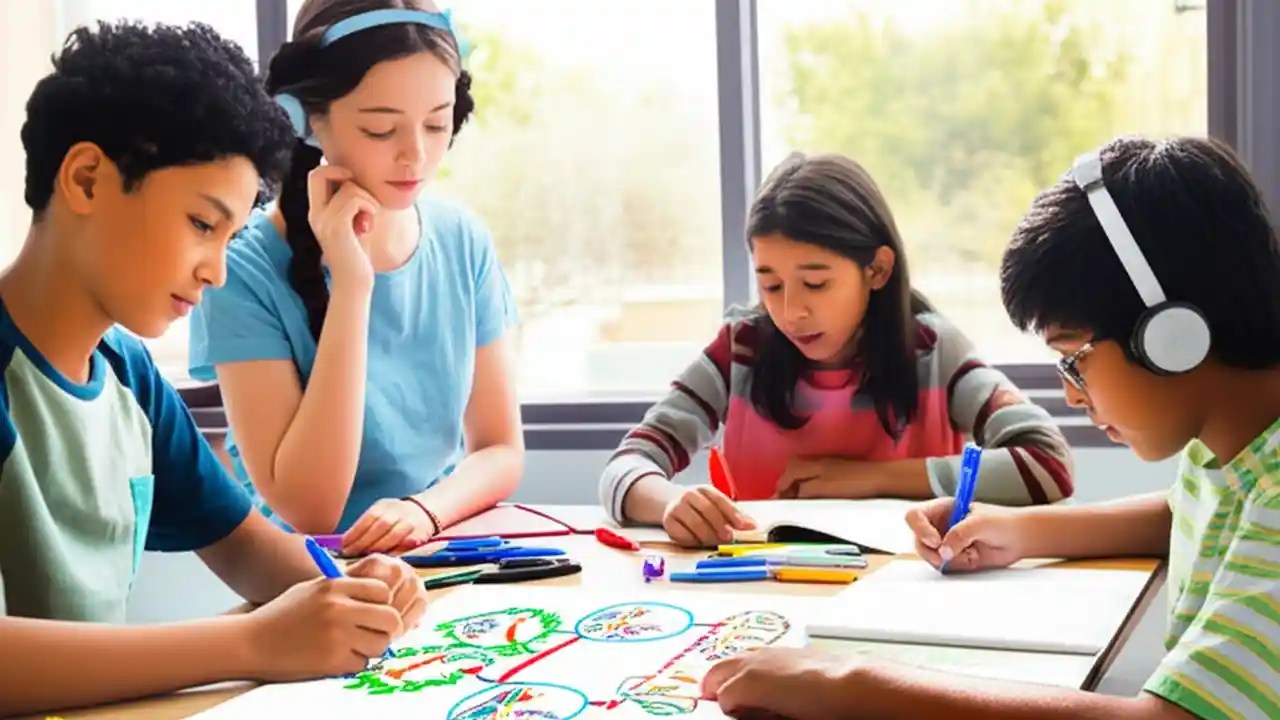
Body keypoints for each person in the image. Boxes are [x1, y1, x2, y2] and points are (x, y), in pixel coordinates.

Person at [702, 136, 1280, 719]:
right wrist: (1020, 530)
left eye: (1074, 357)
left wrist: (850, 683)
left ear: (1172, 336)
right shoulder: (1233, 450)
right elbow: (1186, 513)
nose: (1071, 393)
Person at [0, 21, 427, 717]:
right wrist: (251, 643)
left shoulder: (129, 377)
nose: (216, 271)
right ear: (86, 179)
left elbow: (253, 554)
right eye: (202, 224)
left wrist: (357, 585)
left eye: (231, 238)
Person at [600, 152, 1073, 548]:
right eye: (771, 285)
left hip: (903, 588)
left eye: (815, 284)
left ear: (877, 270)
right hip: (764, 588)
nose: (791, 312)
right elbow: (627, 465)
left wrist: (872, 478)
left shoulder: (933, 353)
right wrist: (670, 504)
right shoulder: (740, 352)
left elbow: (1048, 465)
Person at [189, 0, 523, 557]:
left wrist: (423, 511)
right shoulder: (242, 269)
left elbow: (500, 448)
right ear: (306, 119)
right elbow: (310, 509)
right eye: (380, 129)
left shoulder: (462, 240)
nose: (416, 154)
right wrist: (351, 285)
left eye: (437, 123)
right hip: (309, 581)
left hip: (440, 554)